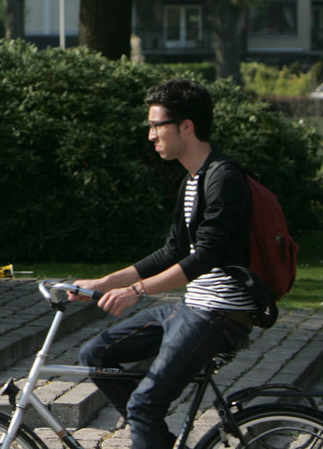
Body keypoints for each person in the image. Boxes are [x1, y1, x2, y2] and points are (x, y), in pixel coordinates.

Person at [73, 78, 258, 449]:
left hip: (219, 313)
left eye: (157, 125)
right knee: (95, 354)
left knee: (143, 405)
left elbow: (206, 256)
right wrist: (103, 283)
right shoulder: (193, 179)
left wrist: (136, 291)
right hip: (194, 307)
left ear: (186, 127)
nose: (151, 135)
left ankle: (148, 427)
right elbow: (174, 250)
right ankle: (155, 438)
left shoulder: (223, 178)